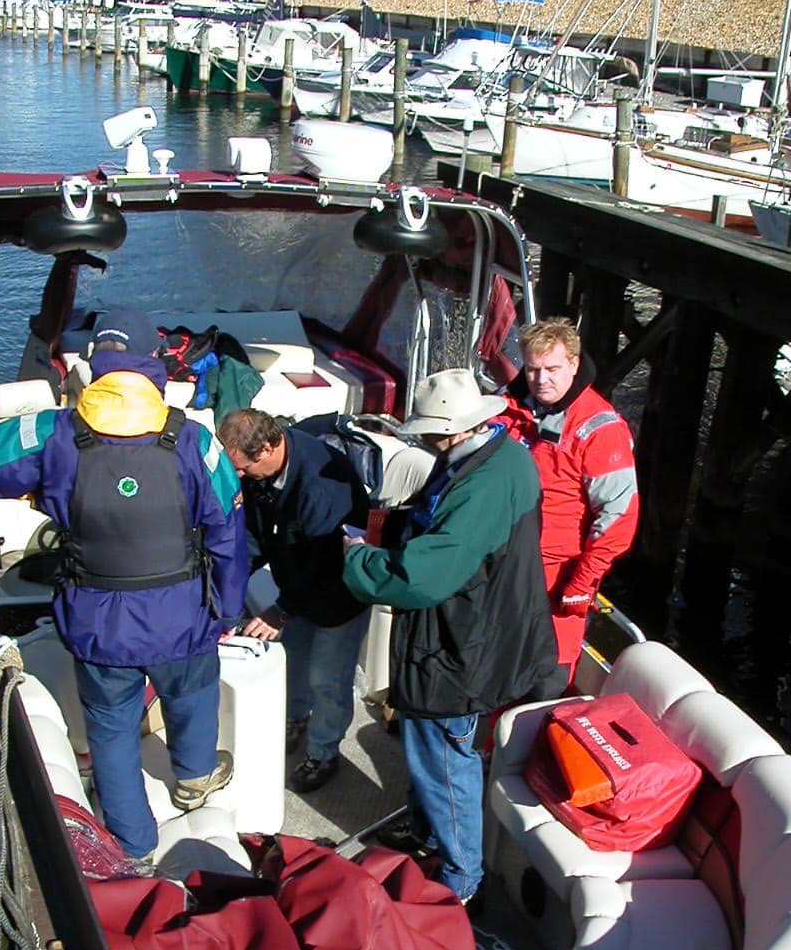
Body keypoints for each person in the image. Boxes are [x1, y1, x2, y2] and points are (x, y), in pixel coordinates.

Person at [0, 307, 249, 869]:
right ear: (155, 365)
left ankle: (134, 846)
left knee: (113, 731)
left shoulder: (53, 432)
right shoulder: (194, 441)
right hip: (184, 617)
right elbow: (228, 533)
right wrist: (227, 609)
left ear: (97, 365)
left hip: (100, 625)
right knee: (192, 697)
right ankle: (193, 778)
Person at [342, 369, 559, 909]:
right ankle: (428, 833)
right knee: (438, 753)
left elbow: (425, 577)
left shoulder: (480, 487)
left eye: (431, 436)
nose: (425, 444)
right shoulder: (506, 457)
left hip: (458, 650)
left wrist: (358, 558)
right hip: (483, 632)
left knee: (444, 760)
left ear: (458, 432)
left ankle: (463, 882)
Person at [217, 408, 371, 793]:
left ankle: (323, 752)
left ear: (268, 448)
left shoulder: (322, 483)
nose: (237, 476)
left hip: (340, 592)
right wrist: (228, 593)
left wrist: (280, 610)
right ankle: (295, 718)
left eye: (242, 468)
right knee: (295, 663)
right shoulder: (260, 475)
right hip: (297, 582)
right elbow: (253, 537)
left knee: (327, 679)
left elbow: (325, 562)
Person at [499, 317, 639, 681]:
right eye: (532, 369)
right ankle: (490, 734)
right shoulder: (510, 407)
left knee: (548, 672)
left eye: (552, 368)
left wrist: (581, 584)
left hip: (553, 574)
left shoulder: (599, 428)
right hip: (501, 559)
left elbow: (618, 518)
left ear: (574, 365)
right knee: (497, 658)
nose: (541, 379)